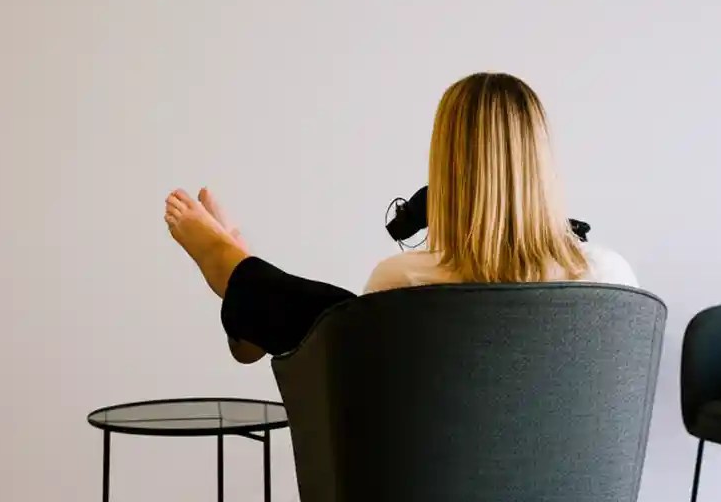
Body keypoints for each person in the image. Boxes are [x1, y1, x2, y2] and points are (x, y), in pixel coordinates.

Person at [163, 72, 637, 364]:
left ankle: (238, 273)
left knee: (333, 318)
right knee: (344, 321)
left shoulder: (405, 283)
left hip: (422, 496)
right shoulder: (609, 278)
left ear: (445, 166)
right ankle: (242, 282)